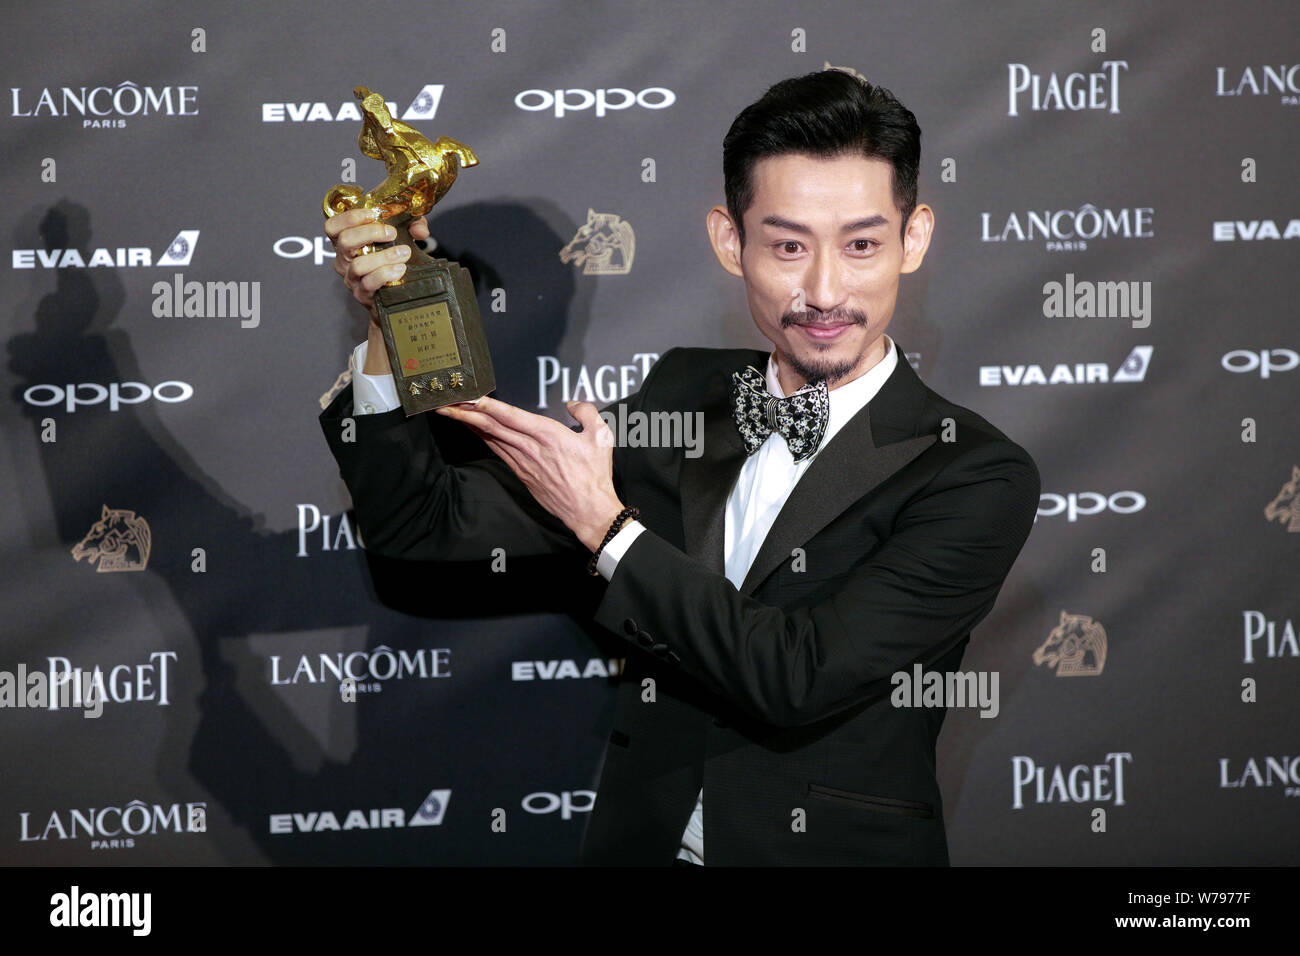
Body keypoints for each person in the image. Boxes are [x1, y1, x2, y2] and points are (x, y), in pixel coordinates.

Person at [320, 70, 1039, 866]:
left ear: (915, 238)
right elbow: (426, 528)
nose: (826, 289)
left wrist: (606, 527)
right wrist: (396, 316)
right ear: (730, 242)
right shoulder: (687, 396)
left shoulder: (974, 473)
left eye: (862, 243)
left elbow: (797, 676)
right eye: (788, 245)